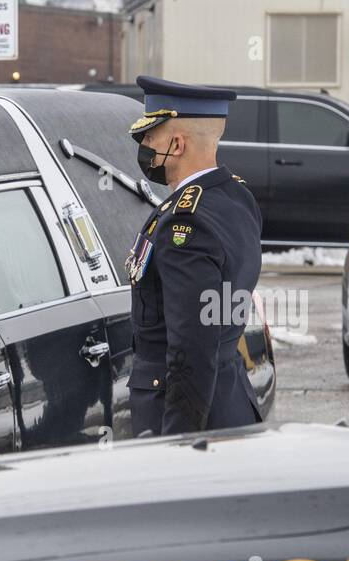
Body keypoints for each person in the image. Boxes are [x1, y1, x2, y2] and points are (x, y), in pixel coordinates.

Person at [125, 76, 263, 437]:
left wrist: (178, 446)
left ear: (177, 142)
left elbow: (192, 351)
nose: (145, 146)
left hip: (187, 420)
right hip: (227, 398)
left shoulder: (186, 224)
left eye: (150, 137)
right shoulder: (234, 196)